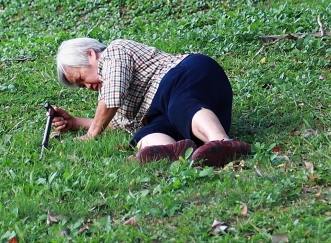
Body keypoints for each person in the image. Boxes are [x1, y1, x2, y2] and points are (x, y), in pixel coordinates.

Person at [51, 38, 252, 166]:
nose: (86, 86)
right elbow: (116, 125)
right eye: (80, 86)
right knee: (146, 133)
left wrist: (91, 134)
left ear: (90, 54)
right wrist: (75, 122)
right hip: (165, 109)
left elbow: (112, 96)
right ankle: (173, 152)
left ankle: (224, 143)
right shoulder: (109, 100)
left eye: (81, 78)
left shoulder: (115, 51)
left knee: (180, 104)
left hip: (186, 73)